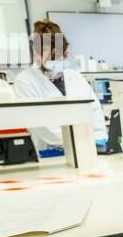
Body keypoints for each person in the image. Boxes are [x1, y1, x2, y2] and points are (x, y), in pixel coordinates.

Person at [13, 19, 108, 149]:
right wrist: (77, 142)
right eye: (52, 57)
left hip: (89, 147)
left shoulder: (75, 77)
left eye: (62, 55)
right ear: (37, 54)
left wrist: (99, 137)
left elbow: (94, 109)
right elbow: (41, 125)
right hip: (50, 152)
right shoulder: (25, 81)